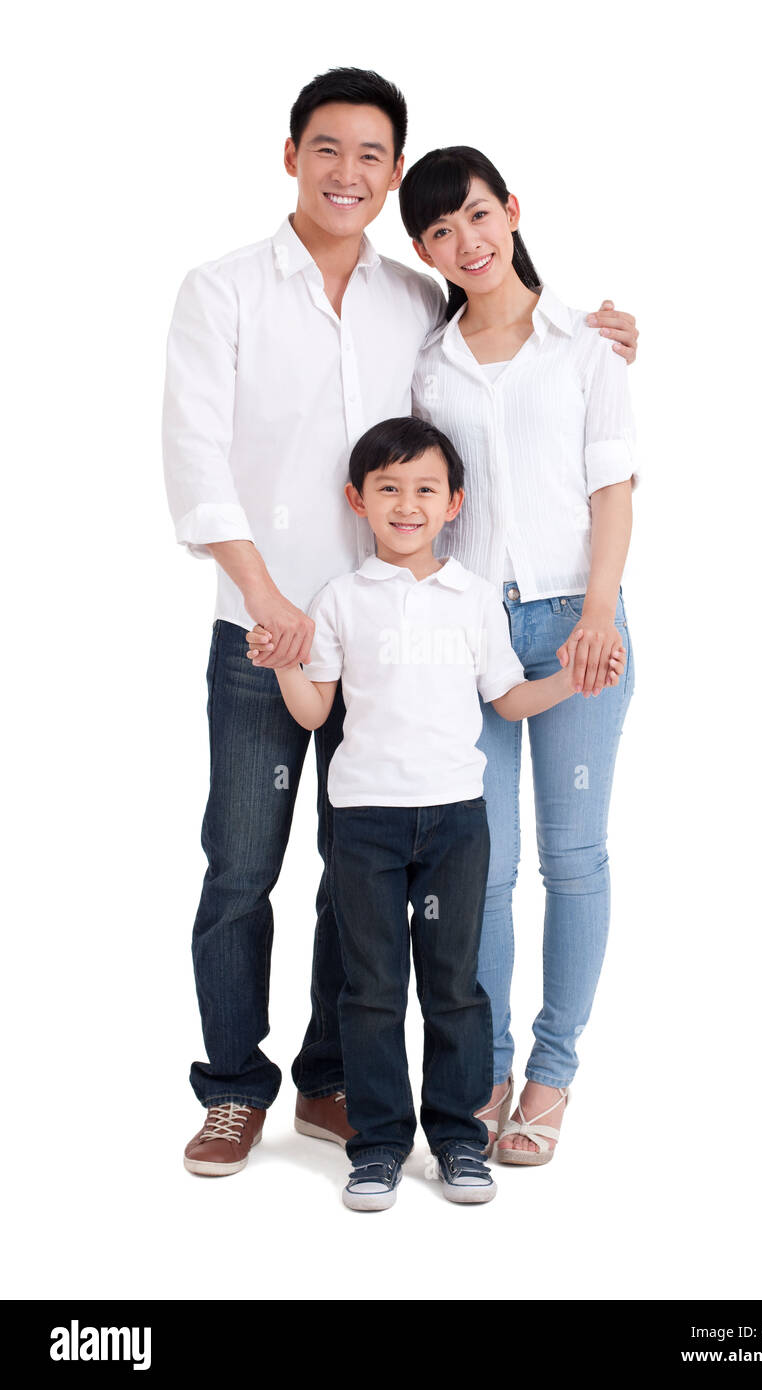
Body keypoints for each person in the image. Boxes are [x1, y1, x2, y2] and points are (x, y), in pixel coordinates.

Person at [162, 65, 640, 1176]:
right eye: (328, 148)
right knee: (241, 864)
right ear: (292, 156)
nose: (348, 172)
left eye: (371, 156)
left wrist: (598, 326)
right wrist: (270, 603)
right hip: (270, 629)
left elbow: (520, 340)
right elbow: (192, 460)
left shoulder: (412, 299)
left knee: (367, 866)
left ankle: (341, 1080)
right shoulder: (223, 289)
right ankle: (236, 1087)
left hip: (408, 644)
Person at [245, 417, 622, 1208]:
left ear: (455, 503)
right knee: (372, 988)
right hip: (365, 824)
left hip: (455, 820)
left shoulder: (475, 599)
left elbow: (508, 698)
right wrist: (284, 664)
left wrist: (570, 683)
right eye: (388, 489)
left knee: (454, 987)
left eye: (425, 489)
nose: (406, 505)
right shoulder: (341, 598)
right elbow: (315, 712)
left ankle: (456, 1139)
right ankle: (378, 1146)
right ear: (358, 501)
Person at [399, 145, 638, 1165]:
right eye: (441, 231)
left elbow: (611, 490)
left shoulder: (585, 344)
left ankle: (552, 1073)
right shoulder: (427, 361)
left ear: (511, 210)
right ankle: (486, 1068)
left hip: (575, 624)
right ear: (424, 250)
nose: (468, 242)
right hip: (468, 639)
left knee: (573, 857)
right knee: (480, 865)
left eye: (478, 214)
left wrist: (594, 614)